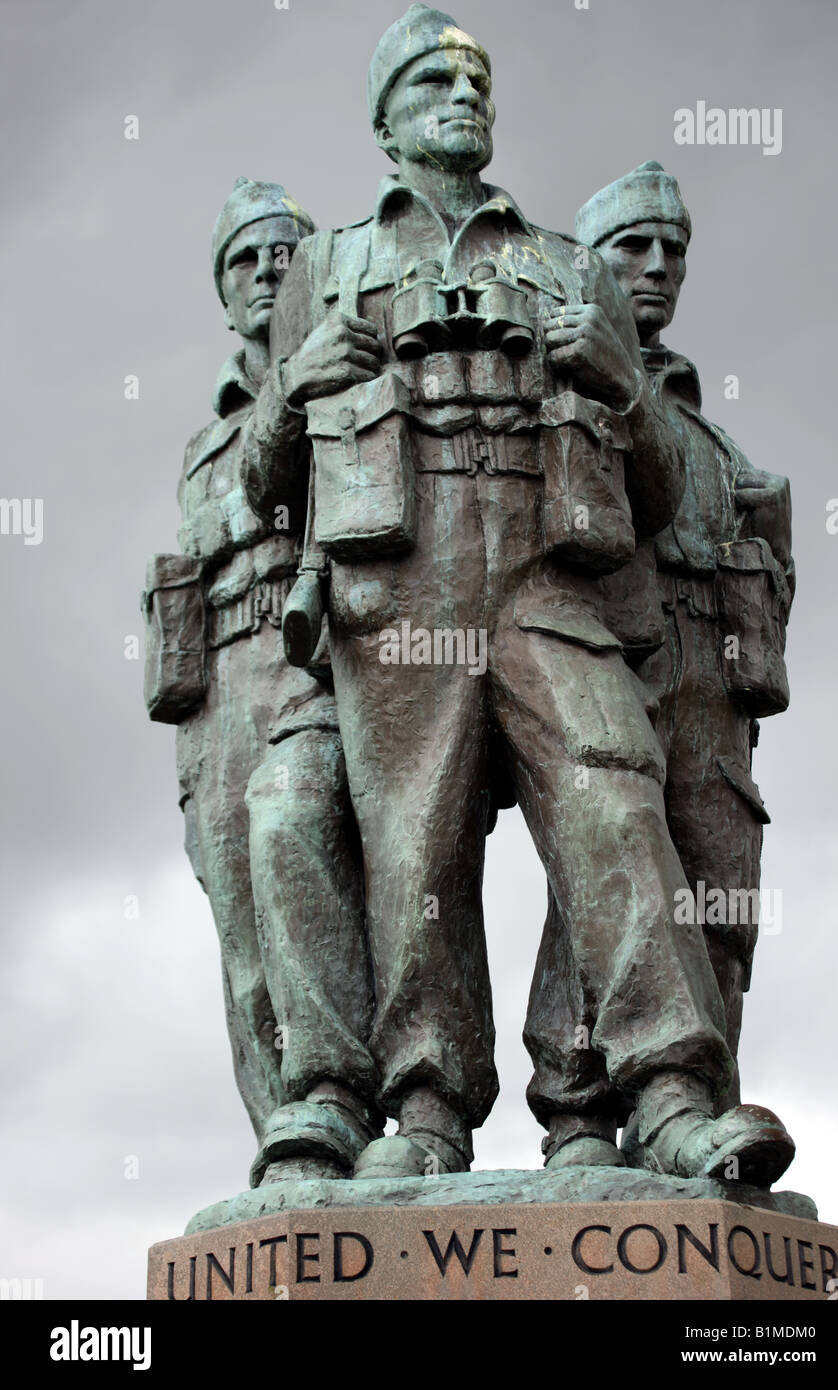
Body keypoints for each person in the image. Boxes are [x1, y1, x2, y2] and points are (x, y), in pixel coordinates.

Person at [243, 7, 795, 1186]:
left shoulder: (564, 262)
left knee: (612, 803)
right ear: (384, 119)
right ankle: (429, 1108)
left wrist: (624, 388)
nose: (463, 97)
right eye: (434, 82)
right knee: (415, 848)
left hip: (550, 580)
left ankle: (665, 1091)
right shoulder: (325, 267)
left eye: (477, 80)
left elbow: (648, 491)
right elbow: (264, 489)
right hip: (396, 584)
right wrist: (295, 391)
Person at [144, 180, 379, 1188]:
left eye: (284, 253)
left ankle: (340, 1096)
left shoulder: (347, 371)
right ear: (221, 287)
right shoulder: (200, 444)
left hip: (310, 665)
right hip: (215, 696)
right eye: (243, 259)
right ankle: (291, 1145)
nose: (266, 272)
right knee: (243, 940)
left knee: (293, 835)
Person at [574, 162, 794, 1122]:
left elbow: (773, 580)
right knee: (608, 882)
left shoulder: (716, 439)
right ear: (589, 262)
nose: (658, 265)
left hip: (717, 695)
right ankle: (579, 1109)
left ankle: (700, 1104)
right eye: (634, 246)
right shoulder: (571, 393)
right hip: (617, 670)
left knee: (722, 901)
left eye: (675, 250)